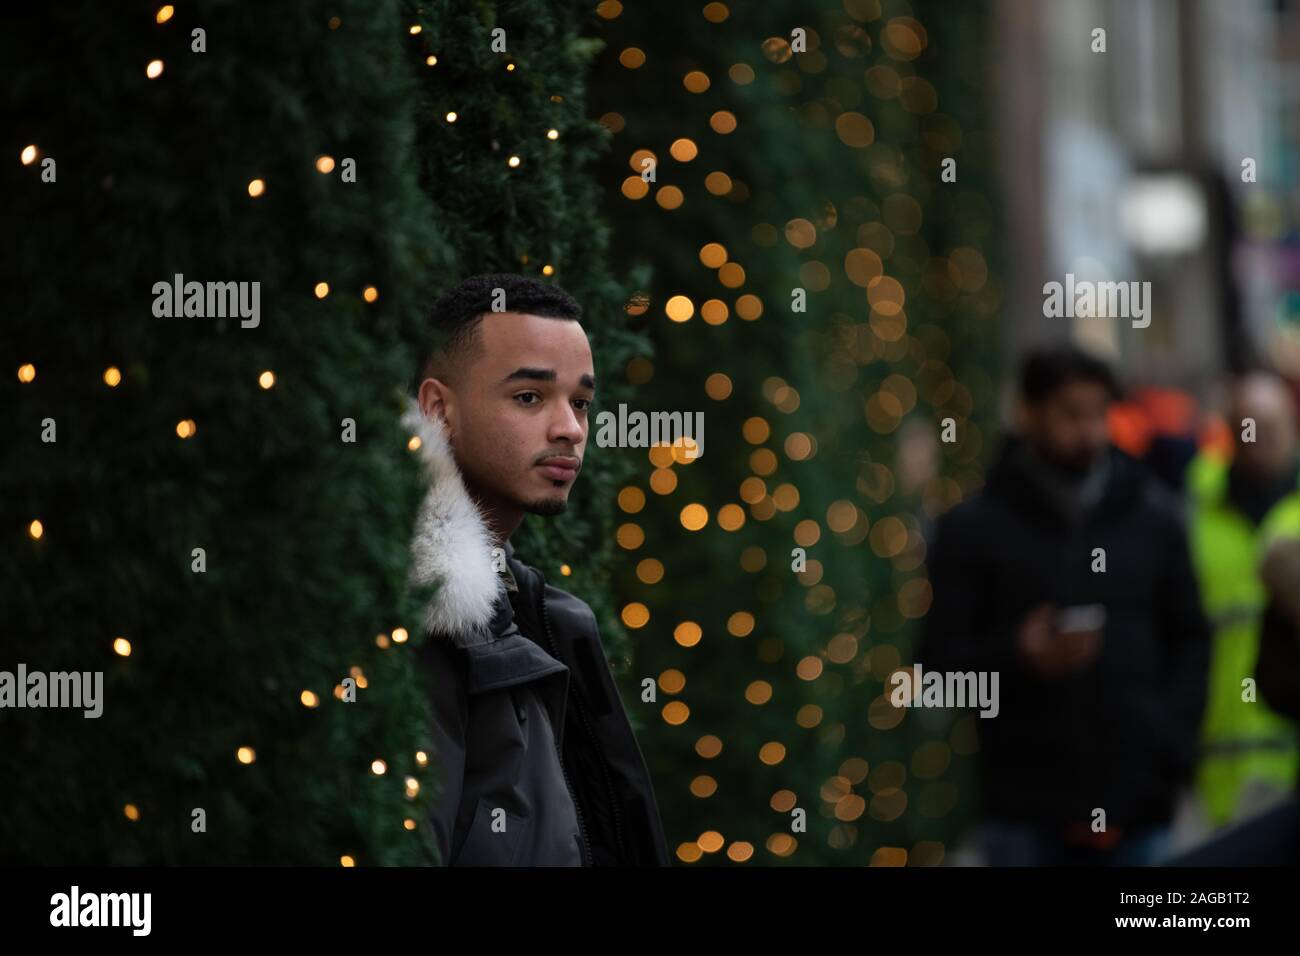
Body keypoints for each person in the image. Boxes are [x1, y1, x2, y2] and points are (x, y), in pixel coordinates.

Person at [405, 273, 669, 866]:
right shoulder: (414, 609)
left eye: (580, 402)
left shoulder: (549, 615)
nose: (570, 429)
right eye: (530, 397)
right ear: (437, 409)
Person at [920, 344, 1211, 865]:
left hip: (1137, 803)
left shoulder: (1154, 517)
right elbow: (936, 669)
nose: (1090, 431)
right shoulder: (972, 529)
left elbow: (1190, 636)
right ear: (1028, 412)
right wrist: (1017, 655)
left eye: (1100, 413)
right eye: (1071, 414)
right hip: (1024, 810)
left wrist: (1170, 744)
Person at [1184, 371, 1300, 829]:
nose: (1259, 442)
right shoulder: (1195, 502)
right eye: (1248, 429)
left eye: (1270, 429)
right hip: (1220, 759)